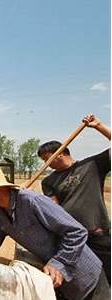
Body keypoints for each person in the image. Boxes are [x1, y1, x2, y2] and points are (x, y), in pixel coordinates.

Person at [0, 163, 109, 300]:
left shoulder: (32, 201)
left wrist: (60, 263)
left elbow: (77, 232)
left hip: (85, 276)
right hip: (56, 282)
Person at [37, 114, 111, 284]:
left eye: (46, 158)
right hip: (71, 238)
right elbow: (53, 207)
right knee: (82, 281)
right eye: (43, 160)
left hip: (96, 231)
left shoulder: (92, 165)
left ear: (61, 153)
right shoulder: (48, 181)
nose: (45, 163)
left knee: (107, 275)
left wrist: (99, 126)